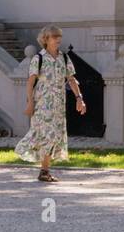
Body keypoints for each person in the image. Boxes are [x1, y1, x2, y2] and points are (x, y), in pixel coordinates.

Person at [15, 25, 86, 182]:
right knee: (47, 135)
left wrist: (79, 98)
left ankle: (44, 170)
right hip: (42, 105)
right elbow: (30, 82)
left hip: (59, 106)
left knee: (54, 136)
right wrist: (30, 103)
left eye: (59, 36)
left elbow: (71, 79)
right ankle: (43, 170)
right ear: (45, 39)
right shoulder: (38, 59)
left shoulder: (64, 58)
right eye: (54, 37)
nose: (58, 39)